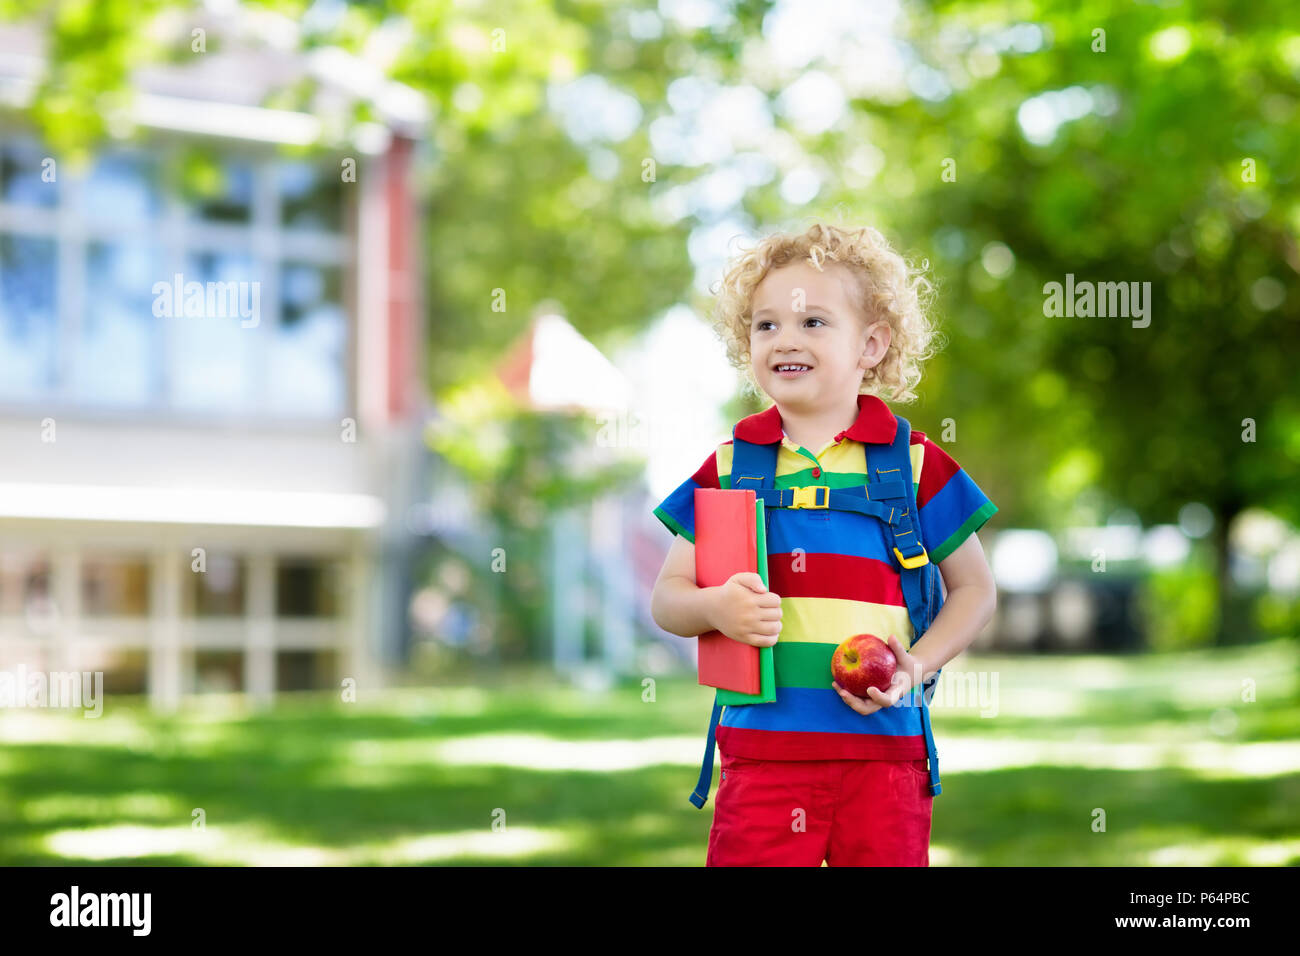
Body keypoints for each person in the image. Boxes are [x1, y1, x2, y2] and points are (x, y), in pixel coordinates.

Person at [649, 222, 999, 866]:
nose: (786, 339)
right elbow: (668, 599)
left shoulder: (913, 465)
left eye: (813, 323)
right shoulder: (730, 466)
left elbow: (975, 590)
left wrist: (916, 668)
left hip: (885, 756)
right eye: (766, 325)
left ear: (871, 344)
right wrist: (715, 609)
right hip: (761, 755)